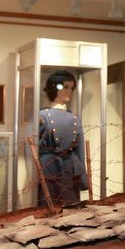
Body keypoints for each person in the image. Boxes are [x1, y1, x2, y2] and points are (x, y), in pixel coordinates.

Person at [37, 70, 89, 205]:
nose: (69, 91)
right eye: (65, 87)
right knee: (48, 207)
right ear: (55, 88)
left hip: (70, 170)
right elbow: (32, 147)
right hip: (49, 168)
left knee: (70, 208)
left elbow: (80, 150)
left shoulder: (74, 118)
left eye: (72, 88)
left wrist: (83, 178)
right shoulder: (42, 116)